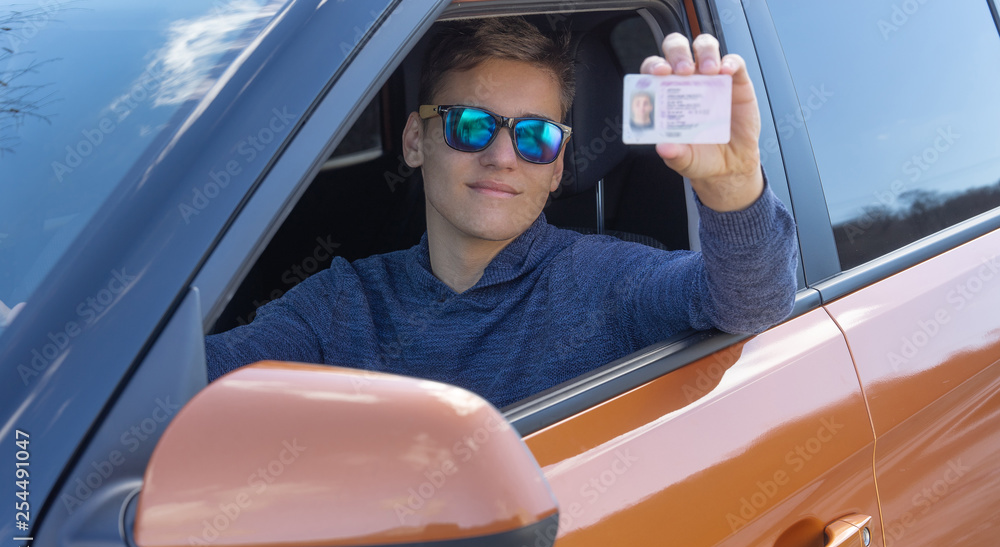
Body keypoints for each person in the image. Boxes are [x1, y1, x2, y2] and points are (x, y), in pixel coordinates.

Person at [205, 18, 798, 407]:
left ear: (559, 163)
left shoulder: (606, 283)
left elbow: (751, 301)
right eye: (471, 125)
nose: (501, 157)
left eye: (535, 137)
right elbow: (181, 394)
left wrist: (733, 188)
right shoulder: (343, 306)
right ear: (415, 140)